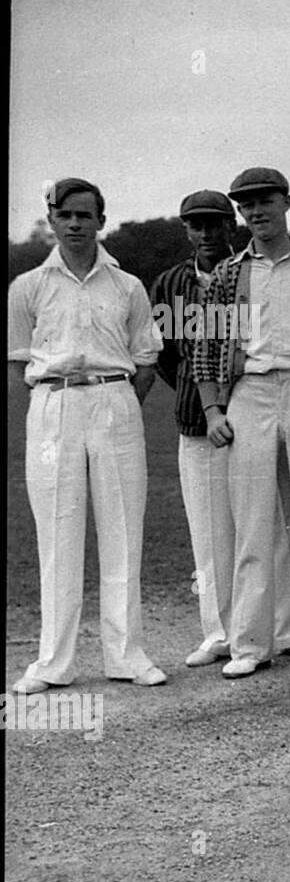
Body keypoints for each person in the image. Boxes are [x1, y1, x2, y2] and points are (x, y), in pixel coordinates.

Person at [192, 167, 290, 679]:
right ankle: (249, 645)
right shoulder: (226, 275)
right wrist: (214, 408)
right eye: (246, 205)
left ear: (286, 202)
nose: (256, 213)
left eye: (264, 202)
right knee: (253, 522)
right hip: (251, 393)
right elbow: (205, 347)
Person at [8, 177, 166, 694]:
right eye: (65, 215)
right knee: (57, 531)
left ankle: (127, 654)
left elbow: (145, 358)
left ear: (101, 219)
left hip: (114, 402)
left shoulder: (127, 286)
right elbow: (19, 361)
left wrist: (114, 404)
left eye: (85, 215)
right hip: (53, 405)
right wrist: (57, 397)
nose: (75, 224)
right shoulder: (28, 286)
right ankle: (54, 662)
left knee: (123, 529)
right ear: (52, 219)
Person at [150, 189, 290, 669]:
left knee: (268, 527)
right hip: (197, 423)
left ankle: (284, 629)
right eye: (196, 225)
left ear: (231, 226)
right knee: (210, 533)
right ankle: (219, 631)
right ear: (185, 229)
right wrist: (197, 395)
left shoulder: (243, 273)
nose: (205, 233)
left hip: (252, 413)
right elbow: (166, 354)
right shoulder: (170, 284)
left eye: (214, 223)